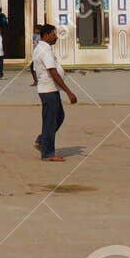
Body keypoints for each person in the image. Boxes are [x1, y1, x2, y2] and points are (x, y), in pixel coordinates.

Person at [31, 23, 77, 161]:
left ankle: (42, 140)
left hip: (50, 89)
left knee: (59, 116)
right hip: (48, 89)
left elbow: (34, 68)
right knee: (50, 121)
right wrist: (69, 92)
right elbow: (53, 72)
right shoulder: (45, 50)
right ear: (46, 35)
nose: (56, 37)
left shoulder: (41, 48)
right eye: (53, 34)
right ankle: (47, 153)